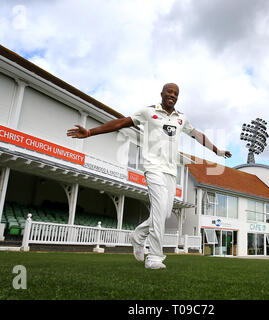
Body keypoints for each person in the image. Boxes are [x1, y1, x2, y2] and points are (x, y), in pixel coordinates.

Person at [67, 83, 231, 269]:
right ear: (162, 93)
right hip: (153, 167)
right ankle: (154, 257)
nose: (172, 95)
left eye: (176, 93)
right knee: (159, 210)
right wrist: (90, 132)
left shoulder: (181, 119)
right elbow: (120, 122)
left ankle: (137, 236)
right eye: (169, 91)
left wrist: (217, 150)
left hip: (171, 171)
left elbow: (197, 135)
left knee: (164, 212)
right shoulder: (147, 112)